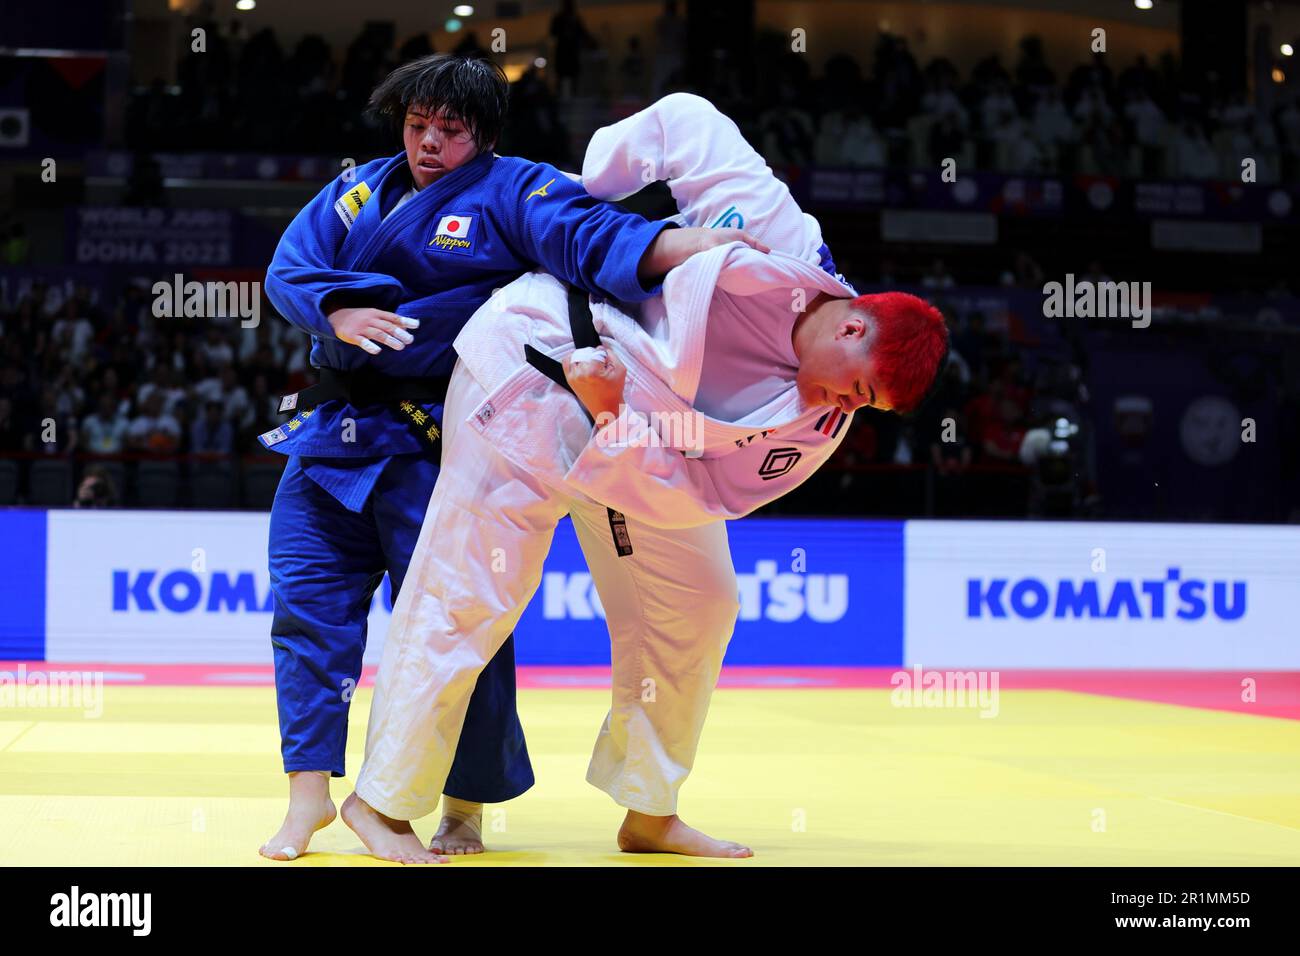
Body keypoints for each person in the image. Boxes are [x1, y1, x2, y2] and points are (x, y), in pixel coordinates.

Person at [341, 93, 948, 863]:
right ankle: (382, 803)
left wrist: (610, 419)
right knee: (467, 591)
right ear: (852, 323)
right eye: (855, 388)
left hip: (633, 448)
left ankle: (649, 808)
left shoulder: (814, 428)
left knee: (702, 602)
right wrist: (595, 186)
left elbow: (698, 496)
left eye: (864, 408)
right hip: (531, 373)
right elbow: (685, 122)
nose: (844, 408)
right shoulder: (782, 240)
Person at [257, 57, 760, 863]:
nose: (428, 143)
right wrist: (337, 308)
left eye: (449, 131)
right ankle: (307, 798)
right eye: (417, 125)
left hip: (438, 439)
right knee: (306, 616)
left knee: (465, 626)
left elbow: (592, 234)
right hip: (330, 429)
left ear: (482, 134)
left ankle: (464, 805)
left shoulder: (516, 189)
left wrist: (689, 242)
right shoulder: (356, 191)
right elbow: (288, 269)